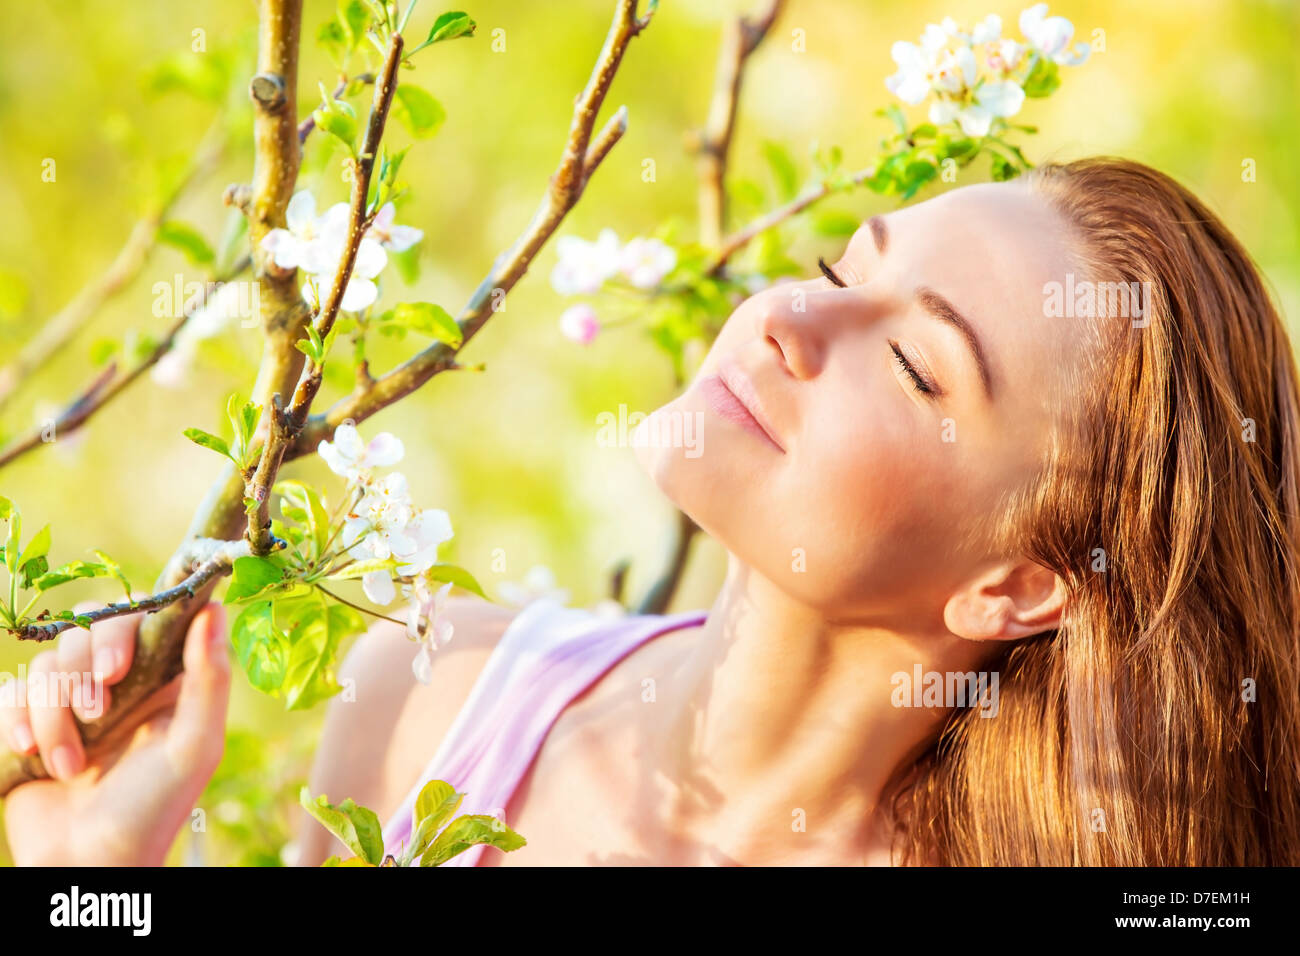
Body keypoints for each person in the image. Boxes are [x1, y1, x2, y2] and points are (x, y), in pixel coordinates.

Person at [5, 157, 1300, 866]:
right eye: (844, 263)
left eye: (915, 364)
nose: (789, 318)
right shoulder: (428, 692)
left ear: (1016, 587)